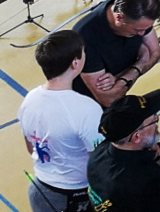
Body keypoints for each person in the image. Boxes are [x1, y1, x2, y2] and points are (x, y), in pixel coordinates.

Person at [18, 30, 102, 212]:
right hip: (73, 198)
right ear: (75, 63)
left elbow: (31, 146)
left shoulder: (29, 99)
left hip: (41, 190)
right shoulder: (86, 109)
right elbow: (99, 162)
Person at [86, 89, 160, 212]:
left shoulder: (100, 152)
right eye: (154, 120)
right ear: (137, 137)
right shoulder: (146, 181)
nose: (157, 121)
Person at [72, 0, 160, 107]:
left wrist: (119, 79)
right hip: (87, 104)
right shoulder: (85, 37)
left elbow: (155, 52)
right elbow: (108, 99)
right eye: (138, 30)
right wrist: (141, 62)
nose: (142, 34)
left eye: (147, 28)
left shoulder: (137, 13)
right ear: (119, 17)